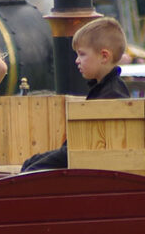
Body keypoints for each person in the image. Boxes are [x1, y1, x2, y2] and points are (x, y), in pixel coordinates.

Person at [21, 17, 132, 172]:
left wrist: (35, 168)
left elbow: (81, 149)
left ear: (104, 56)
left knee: (31, 171)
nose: (77, 61)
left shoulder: (111, 96)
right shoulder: (101, 89)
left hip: (95, 173)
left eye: (82, 54)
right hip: (82, 162)